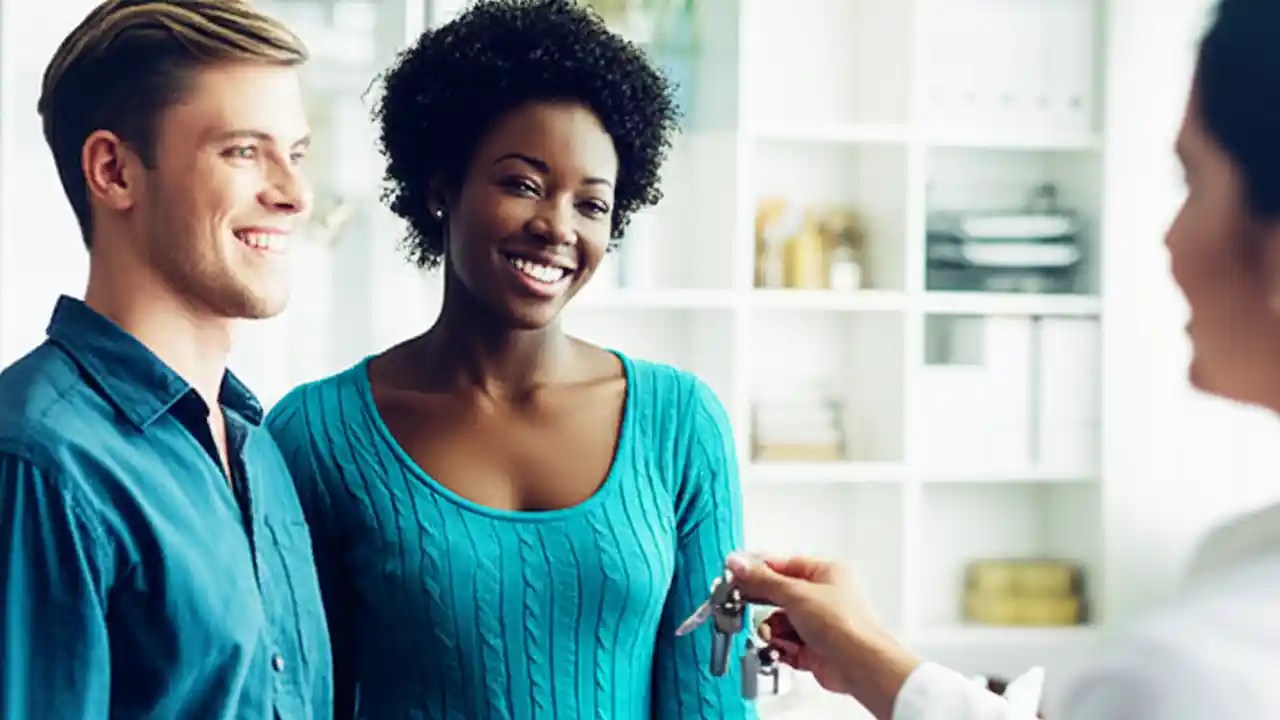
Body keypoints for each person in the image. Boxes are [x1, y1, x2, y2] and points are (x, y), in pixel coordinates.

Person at [724, 0, 1280, 718]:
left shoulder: (1193, 672)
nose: (1169, 240)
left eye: (1193, 183)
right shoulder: (1234, 577)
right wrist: (864, 654)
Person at [264, 0, 753, 717]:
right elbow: (300, 700)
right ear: (441, 189)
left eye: (591, 205)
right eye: (522, 185)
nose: (557, 226)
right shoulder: (317, 435)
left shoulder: (680, 425)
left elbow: (713, 700)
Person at [0, 1, 331, 717]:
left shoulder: (258, 450)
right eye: (244, 151)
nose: (295, 194)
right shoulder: (38, 460)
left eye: (297, 154)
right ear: (114, 171)